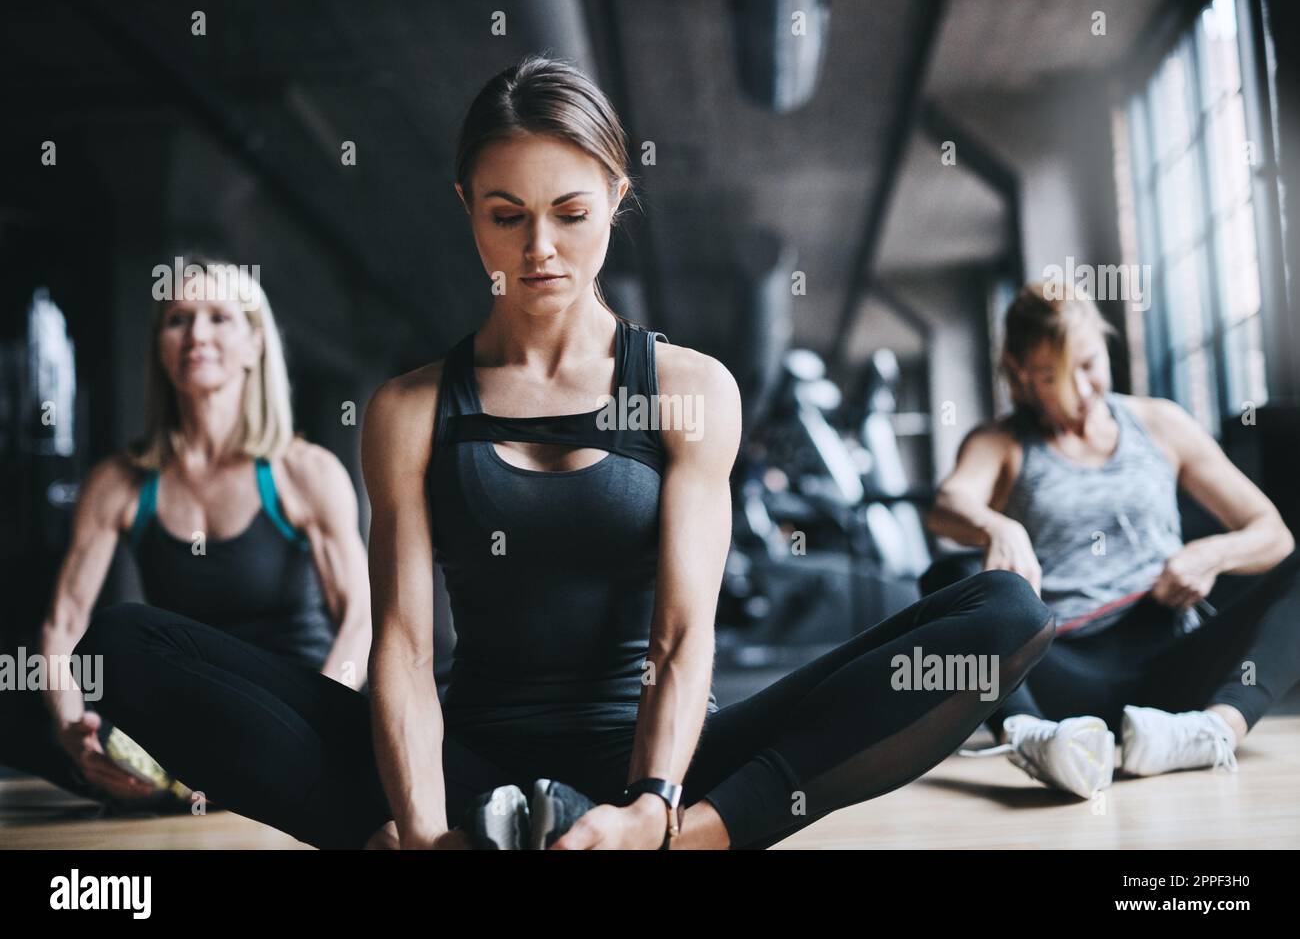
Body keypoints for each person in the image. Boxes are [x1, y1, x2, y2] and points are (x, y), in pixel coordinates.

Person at [74, 55, 1054, 850]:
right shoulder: (410, 408)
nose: (538, 246)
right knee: (122, 645)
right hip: (466, 765)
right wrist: (421, 827)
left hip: (665, 761)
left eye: (569, 212)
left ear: (615, 197)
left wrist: (652, 803)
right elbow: (405, 650)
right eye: (506, 214)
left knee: (1002, 609)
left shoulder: (688, 389)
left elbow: (680, 635)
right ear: (467, 207)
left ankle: (692, 838)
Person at [1, 258, 372, 809]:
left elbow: (361, 623)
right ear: (160, 346)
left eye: (219, 317)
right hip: (189, 718)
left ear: (254, 345)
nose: (197, 333)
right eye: (177, 319)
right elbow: (62, 625)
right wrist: (72, 727)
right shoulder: (120, 482)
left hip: (296, 707)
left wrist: (313, 727)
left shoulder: (305, 473)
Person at [926, 280, 1299, 799]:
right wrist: (996, 525)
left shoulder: (1162, 423)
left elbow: (1273, 533)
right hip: (1059, 668)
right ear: (1021, 376)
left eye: (1087, 365)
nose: (1077, 391)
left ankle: (1211, 732)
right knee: (950, 577)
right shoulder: (1002, 442)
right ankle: (1031, 739)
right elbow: (947, 505)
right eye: (1049, 376)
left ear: (1105, 347)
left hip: (1169, 656)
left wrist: (1211, 554)